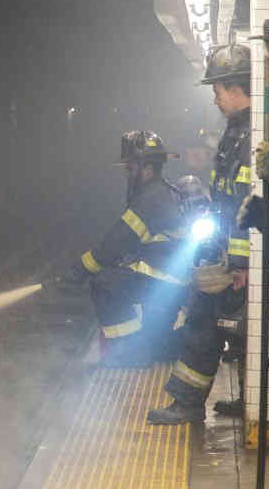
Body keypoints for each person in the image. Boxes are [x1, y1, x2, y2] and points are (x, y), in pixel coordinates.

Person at [149, 44, 252, 424]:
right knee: (228, 328)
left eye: (218, 90)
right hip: (227, 251)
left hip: (233, 258)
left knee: (202, 324)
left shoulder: (246, 136)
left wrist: (238, 261)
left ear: (234, 88)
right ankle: (246, 400)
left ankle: (187, 404)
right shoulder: (239, 131)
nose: (215, 97)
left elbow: (244, 201)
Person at [64, 131, 189, 368]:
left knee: (105, 283)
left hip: (164, 276)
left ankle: (128, 354)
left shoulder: (152, 198)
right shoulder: (162, 192)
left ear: (146, 169)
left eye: (130, 167)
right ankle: (144, 348)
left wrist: (82, 268)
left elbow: (118, 240)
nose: (126, 173)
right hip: (170, 275)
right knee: (160, 345)